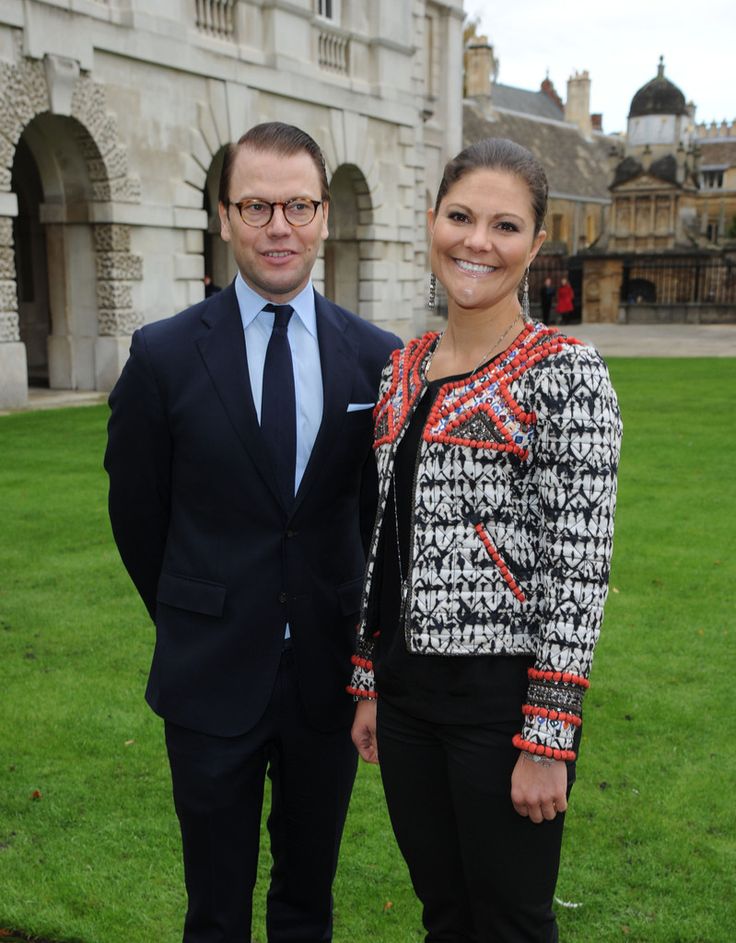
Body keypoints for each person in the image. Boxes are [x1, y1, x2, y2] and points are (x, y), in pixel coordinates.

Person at [105, 121, 401, 943]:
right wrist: (193, 609)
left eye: (298, 205)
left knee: (308, 902)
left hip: (326, 676)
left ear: (324, 216)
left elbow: (380, 524)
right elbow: (137, 511)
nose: (280, 226)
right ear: (225, 216)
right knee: (215, 910)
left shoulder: (378, 359)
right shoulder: (162, 356)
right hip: (207, 676)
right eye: (258, 205)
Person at [350, 138, 622, 942]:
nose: (477, 241)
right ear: (431, 221)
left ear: (537, 244)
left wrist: (547, 736)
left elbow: (579, 569)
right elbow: (384, 536)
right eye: (461, 216)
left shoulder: (565, 373)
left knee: (508, 921)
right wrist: (368, 672)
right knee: (444, 914)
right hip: (404, 701)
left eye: (505, 225)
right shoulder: (403, 369)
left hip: (502, 706)